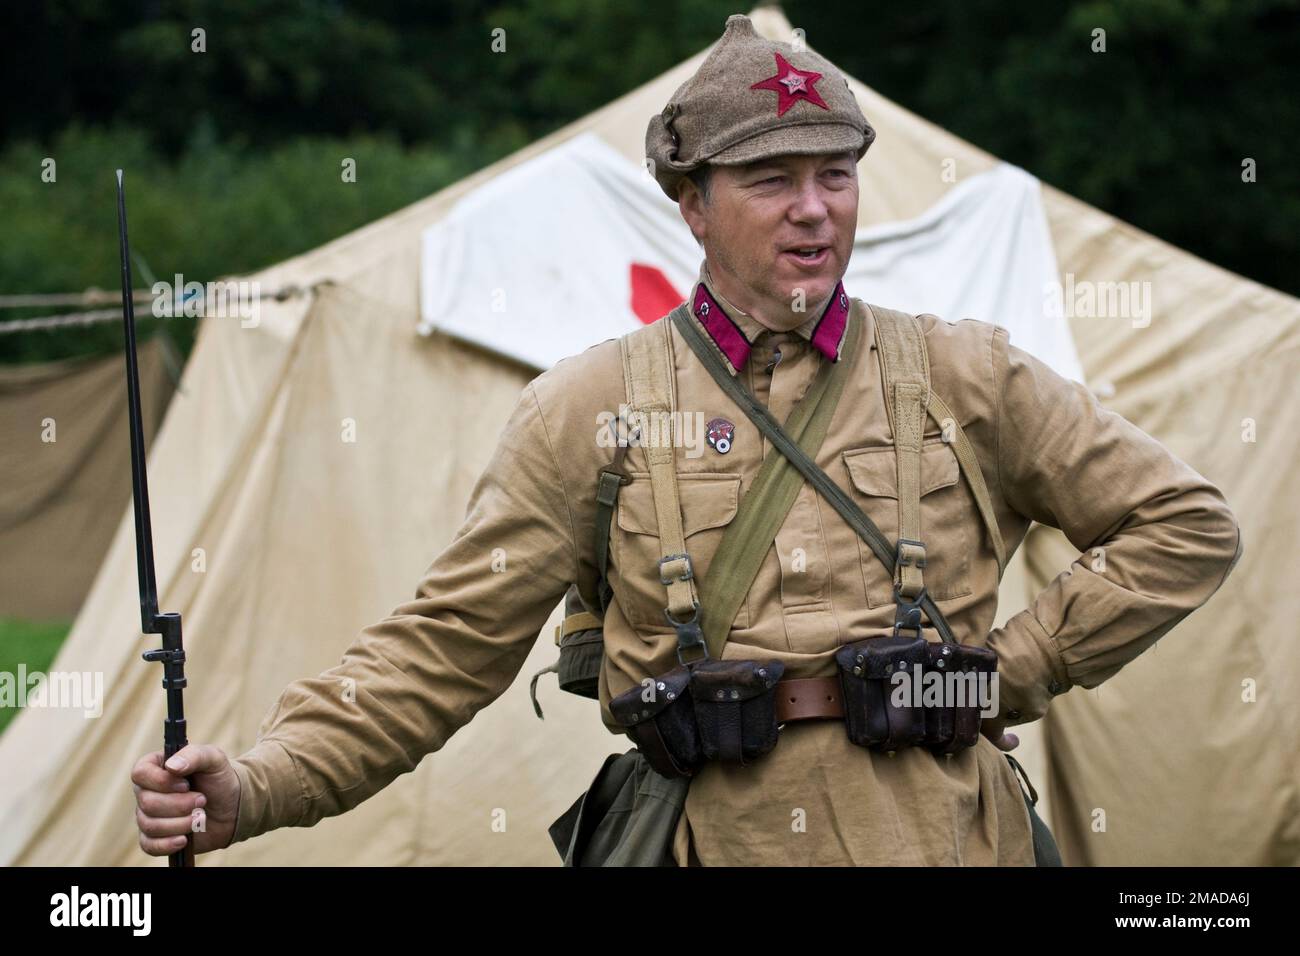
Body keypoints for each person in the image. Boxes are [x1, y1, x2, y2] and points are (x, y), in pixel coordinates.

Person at [131, 13, 1242, 865]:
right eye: (771, 180)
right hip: (709, 843)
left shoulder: (964, 372)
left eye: (835, 175)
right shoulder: (589, 405)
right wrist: (257, 783)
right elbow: (440, 650)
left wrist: (1005, 672)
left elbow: (1183, 522)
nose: (814, 209)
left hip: (944, 838)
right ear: (692, 204)